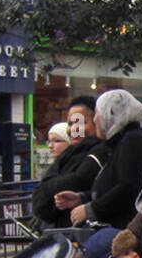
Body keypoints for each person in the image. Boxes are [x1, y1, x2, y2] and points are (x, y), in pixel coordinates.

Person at [68, 90, 142, 230]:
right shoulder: (121, 141)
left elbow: (127, 188)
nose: (95, 119)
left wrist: (91, 210)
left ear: (111, 115)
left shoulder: (132, 140)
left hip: (123, 228)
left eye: (97, 113)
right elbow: (113, 185)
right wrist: (82, 198)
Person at [38, 97, 109, 229]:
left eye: (80, 123)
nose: (74, 130)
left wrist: (48, 187)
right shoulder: (69, 154)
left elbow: (77, 181)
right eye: (70, 124)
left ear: (96, 121)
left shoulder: (101, 151)